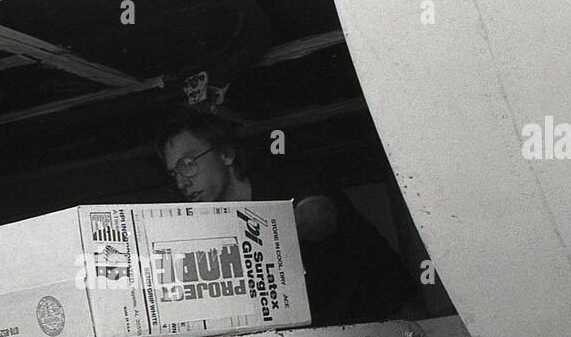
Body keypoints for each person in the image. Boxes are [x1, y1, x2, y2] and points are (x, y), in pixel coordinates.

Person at [155, 113, 420, 325]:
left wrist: (254, 240)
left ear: (226, 154)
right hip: (329, 331)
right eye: (173, 173)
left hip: (390, 312)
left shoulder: (282, 176)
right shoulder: (212, 221)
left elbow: (318, 217)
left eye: (187, 163)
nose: (181, 181)